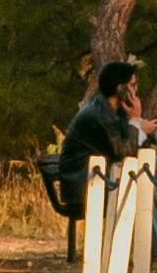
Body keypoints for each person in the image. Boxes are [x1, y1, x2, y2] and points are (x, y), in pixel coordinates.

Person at [55, 59, 144, 233]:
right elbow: (123, 152)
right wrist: (136, 121)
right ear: (120, 88)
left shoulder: (112, 110)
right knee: (147, 192)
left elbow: (131, 147)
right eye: (133, 85)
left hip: (98, 178)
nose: (136, 90)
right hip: (83, 185)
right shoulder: (98, 115)